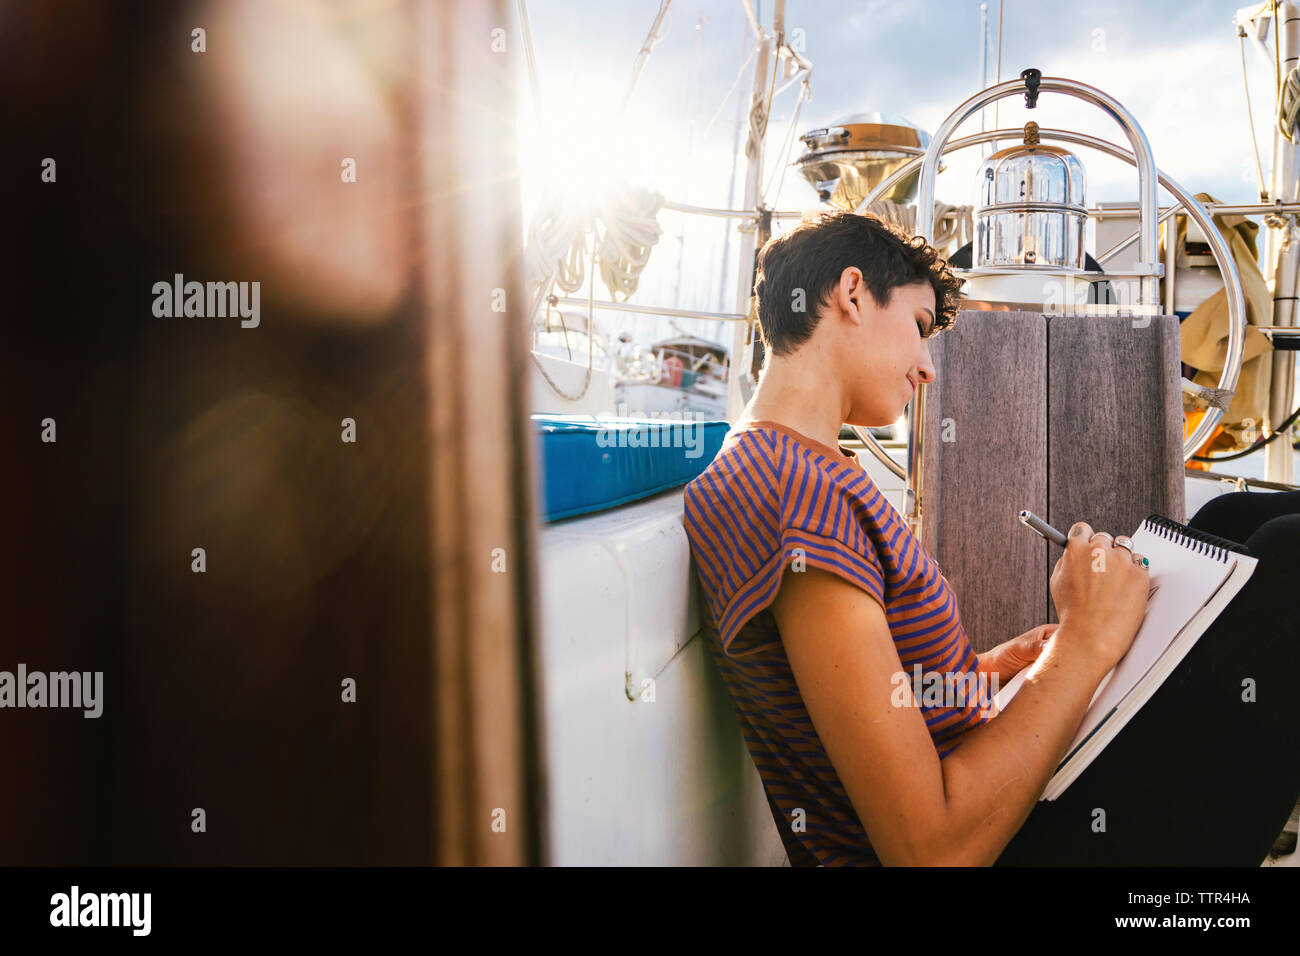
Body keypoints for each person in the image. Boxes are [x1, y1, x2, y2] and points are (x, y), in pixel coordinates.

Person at [681, 209, 1300, 866]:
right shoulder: (792, 491)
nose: (928, 367)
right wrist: (1084, 646)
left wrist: (989, 670)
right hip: (1004, 841)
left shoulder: (793, 465)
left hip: (1003, 791)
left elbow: (873, 691)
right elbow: (929, 849)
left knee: (1230, 528)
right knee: (1290, 555)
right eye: (919, 329)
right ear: (852, 294)